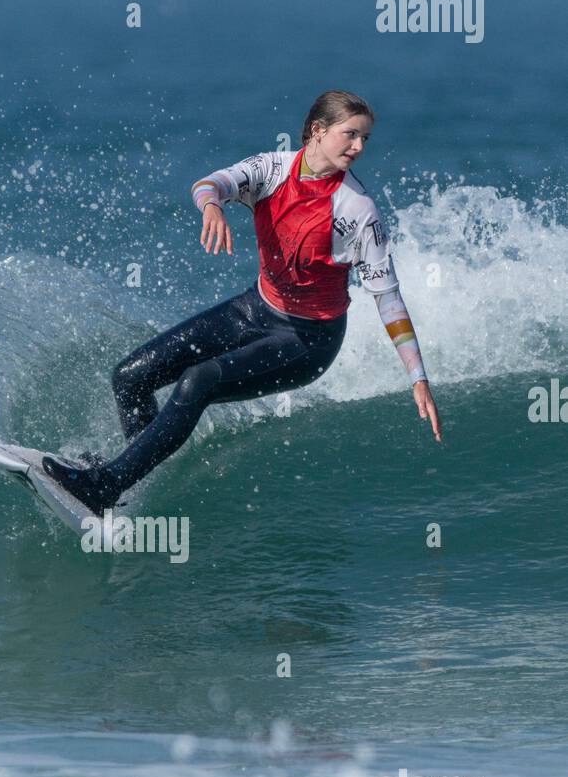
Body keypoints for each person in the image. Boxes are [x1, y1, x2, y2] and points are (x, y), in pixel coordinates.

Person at [42, 90, 441, 514]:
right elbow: (210, 183)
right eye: (351, 135)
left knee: (199, 380)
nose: (359, 147)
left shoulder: (357, 212)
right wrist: (212, 206)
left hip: (308, 340)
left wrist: (417, 378)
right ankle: (128, 480)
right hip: (255, 308)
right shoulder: (271, 169)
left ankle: (106, 485)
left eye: (365, 139)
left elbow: (388, 299)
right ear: (317, 131)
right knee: (129, 377)